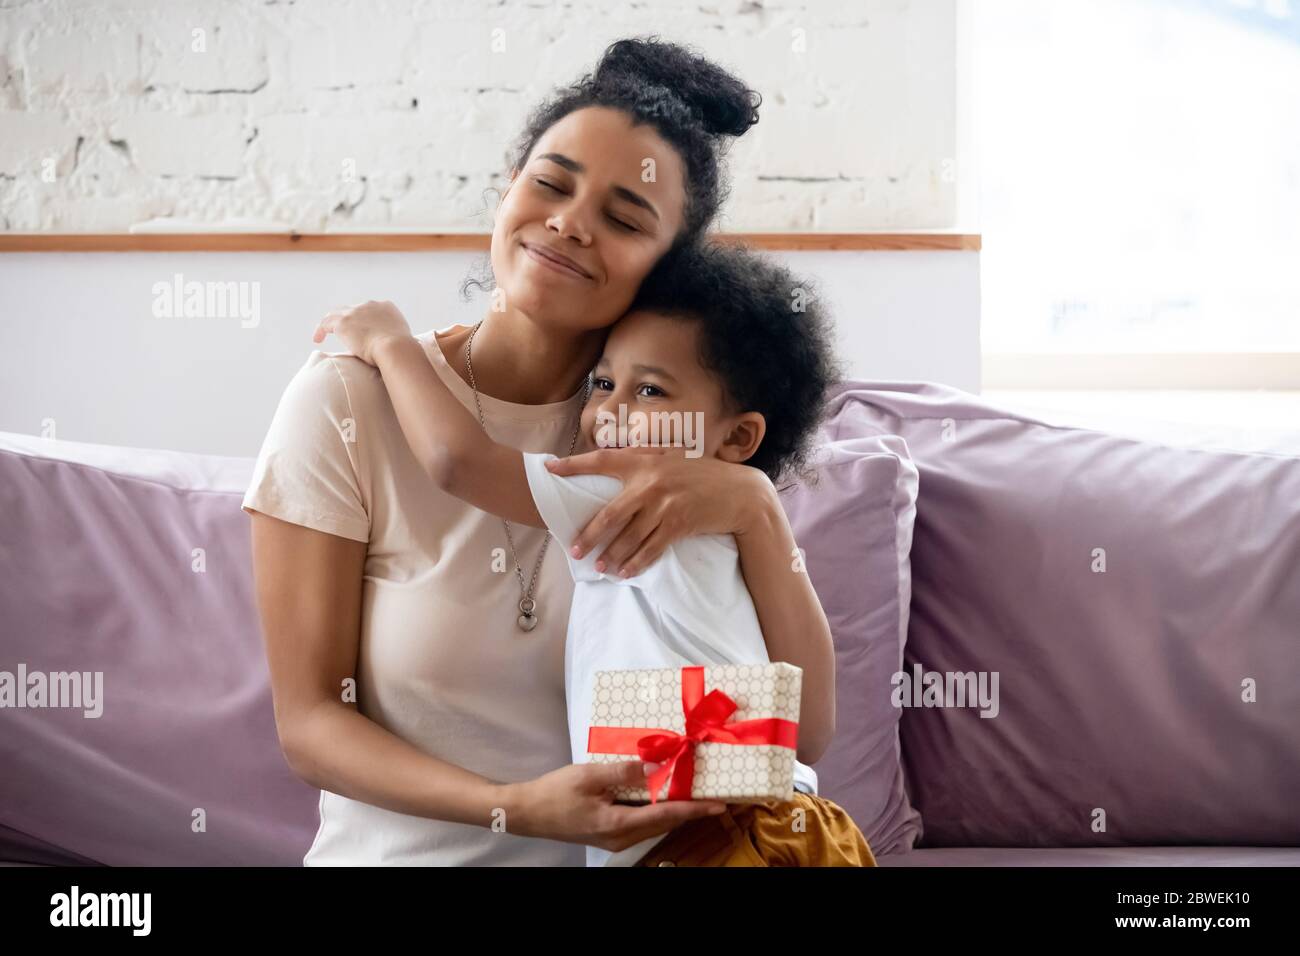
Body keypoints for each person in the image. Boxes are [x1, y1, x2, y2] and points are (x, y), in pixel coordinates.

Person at [243, 37, 840, 864]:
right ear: (508, 191)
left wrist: (758, 509)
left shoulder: (659, 440)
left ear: (667, 270)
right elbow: (308, 725)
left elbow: (798, 734)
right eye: (550, 184)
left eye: (624, 217)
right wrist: (510, 808)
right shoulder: (347, 399)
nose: (568, 223)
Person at [314, 239, 874, 867]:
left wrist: (391, 344)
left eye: (652, 392)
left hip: (717, 840)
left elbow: (458, 461)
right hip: (792, 825)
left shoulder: (631, 488)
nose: (610, 409)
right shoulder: (733, 533)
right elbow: (814, 730)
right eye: (603, 381)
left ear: (738, 437)